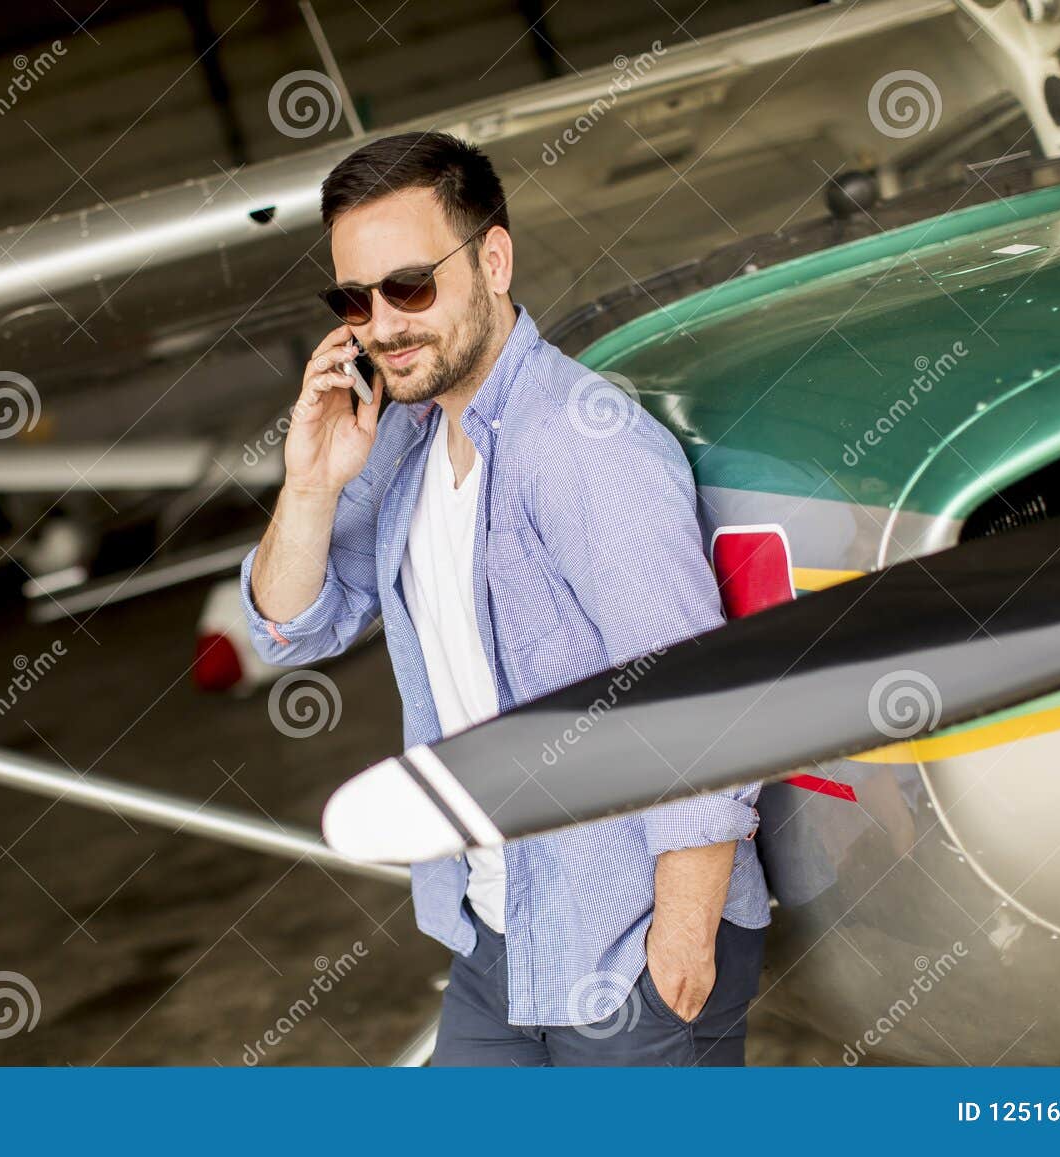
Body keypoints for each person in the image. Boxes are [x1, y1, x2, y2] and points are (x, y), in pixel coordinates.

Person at [239, 130, 768, 1065]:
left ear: (493, 258)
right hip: (497, 929)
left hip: (629, 933)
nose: (382, 325)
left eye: (409, 286)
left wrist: (682, 939)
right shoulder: (398, 446)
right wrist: (312, 483)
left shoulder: (583, 443)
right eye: (353, 301)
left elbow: (698, 699)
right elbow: (289, 626)